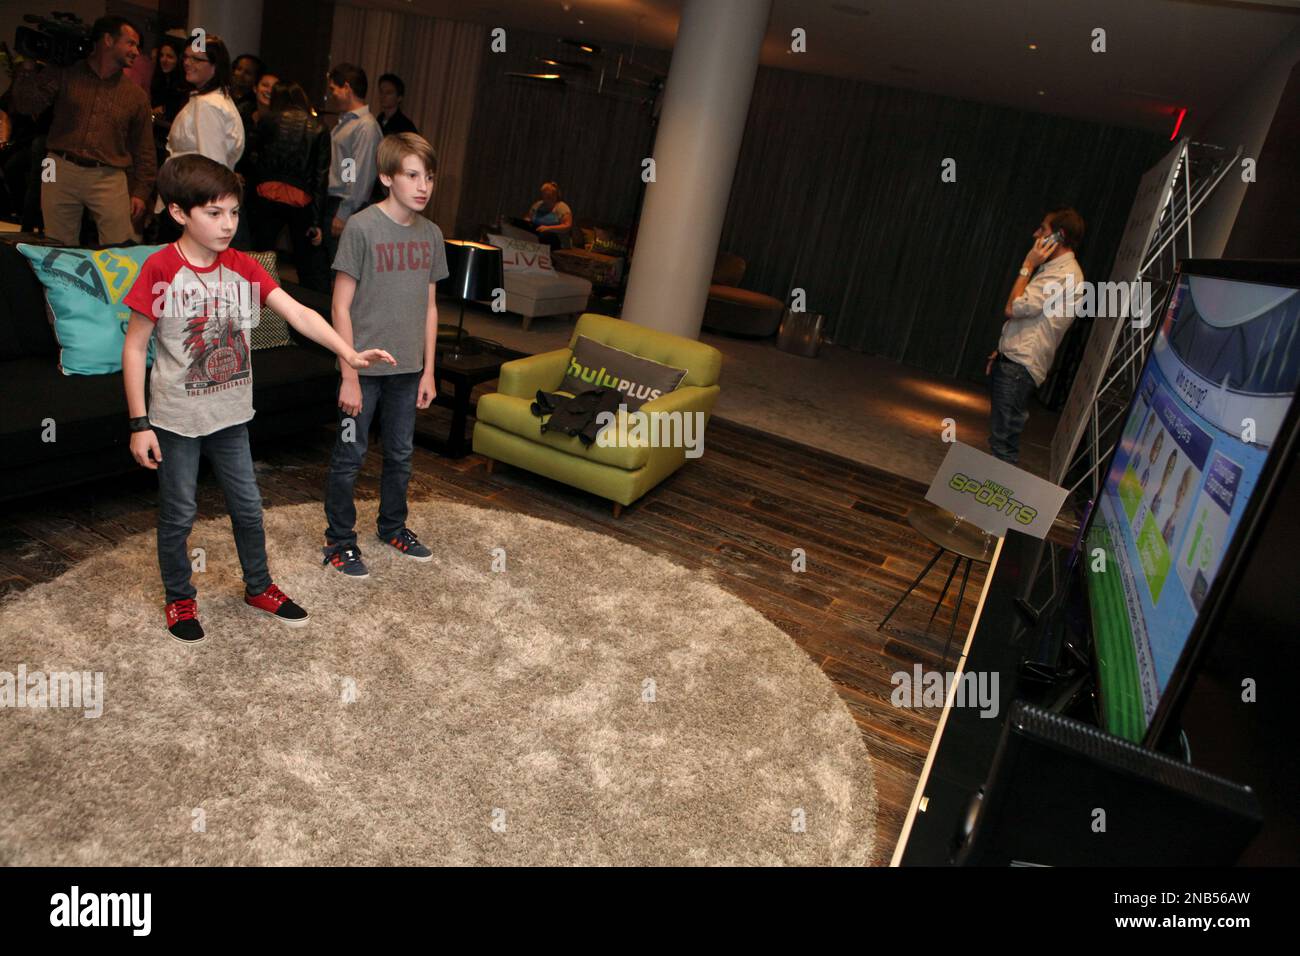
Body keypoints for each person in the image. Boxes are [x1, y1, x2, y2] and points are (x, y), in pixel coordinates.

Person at [120, 154, 396, 642]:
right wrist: (139, 423)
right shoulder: (161, 268)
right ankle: (180, 599)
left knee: (248, 508)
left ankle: (259, 586)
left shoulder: (243, 267)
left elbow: (297, 313)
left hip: (230, 417)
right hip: (176, 420)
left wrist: (347, 353)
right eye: (214, 213)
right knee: (179, 514)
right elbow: (136, 345)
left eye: (233, 212)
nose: (228, 224)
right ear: (181, 214)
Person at [322, 133, 448, 578]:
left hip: (408, 371)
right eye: (412, 175)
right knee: (349, 455)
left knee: (400, 454)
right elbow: (339, 306)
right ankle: (339, 542)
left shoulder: (432, 235)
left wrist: (429, 371)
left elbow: (430, 307)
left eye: (429, 177)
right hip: (364, 369)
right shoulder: (361, 227)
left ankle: (393, 526)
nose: (423, 186)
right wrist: (349, 374)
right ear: (386, 177)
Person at [9, 16, 156, 245]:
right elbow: (27, 105)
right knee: (56, 244)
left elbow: (145, 149)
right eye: (131, 43)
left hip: (110, 174)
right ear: (108, 40)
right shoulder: (66, 72)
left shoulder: (136, 96)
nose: (136, 51)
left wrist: (141, 192)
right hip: (57, 166)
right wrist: (27, 66)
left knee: (120, 247)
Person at [986, 208, 1086, 465]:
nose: (1035, 234)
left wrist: (1027, 266)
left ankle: (995, 502)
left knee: (1003, 448)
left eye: (1042, 229)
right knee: (1000, 441)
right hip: (1015, 360)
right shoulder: (1056, 269)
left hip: (1020, 366)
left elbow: (1013, 308)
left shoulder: (1063, 274)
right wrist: (1003, 350)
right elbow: (1032, 320)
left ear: (1058, 237)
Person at [156, 35, 244, 241]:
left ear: (215, 66)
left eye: (197, 59)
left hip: (191, 203)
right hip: (189, 201)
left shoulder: (208, 105)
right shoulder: (209, 100)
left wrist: (204, 217)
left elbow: (212, 167)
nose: (187, 62)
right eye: (186, 57)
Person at [249, 81, 330, 290]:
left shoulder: (268, 120)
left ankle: (258, 308)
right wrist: (316, 221)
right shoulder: (319, 127)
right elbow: (320, 176)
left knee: (260, 257)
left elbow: (251, 156)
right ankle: (308, 313)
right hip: (300, 198)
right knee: (305, 264)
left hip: (267, 192)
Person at [324, 63, 382, 266]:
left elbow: (360, 175)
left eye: (333, 89)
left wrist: (344, 212)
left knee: (340, 269)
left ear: (347, 88)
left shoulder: (365, 126)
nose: (332, 95)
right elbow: (349, 166)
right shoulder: (350, 122)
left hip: (346, 204)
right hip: (338, 201)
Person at [149, 33, 191, 166]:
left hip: (173, 144)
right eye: (162, 55)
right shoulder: (159, 80)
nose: (164, 60)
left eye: (170, 56)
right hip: (156, 139)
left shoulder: (184, 85)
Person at [525, 181, 572, 249]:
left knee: (544, 236)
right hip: (537, 234)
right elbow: (529, 217)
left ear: (555, 195)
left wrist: (549, 228)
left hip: (557, 239)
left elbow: (567, 226)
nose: (545, 198)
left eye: (548, 196)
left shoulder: (562, 207)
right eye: (544, 195)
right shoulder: (538, 205)